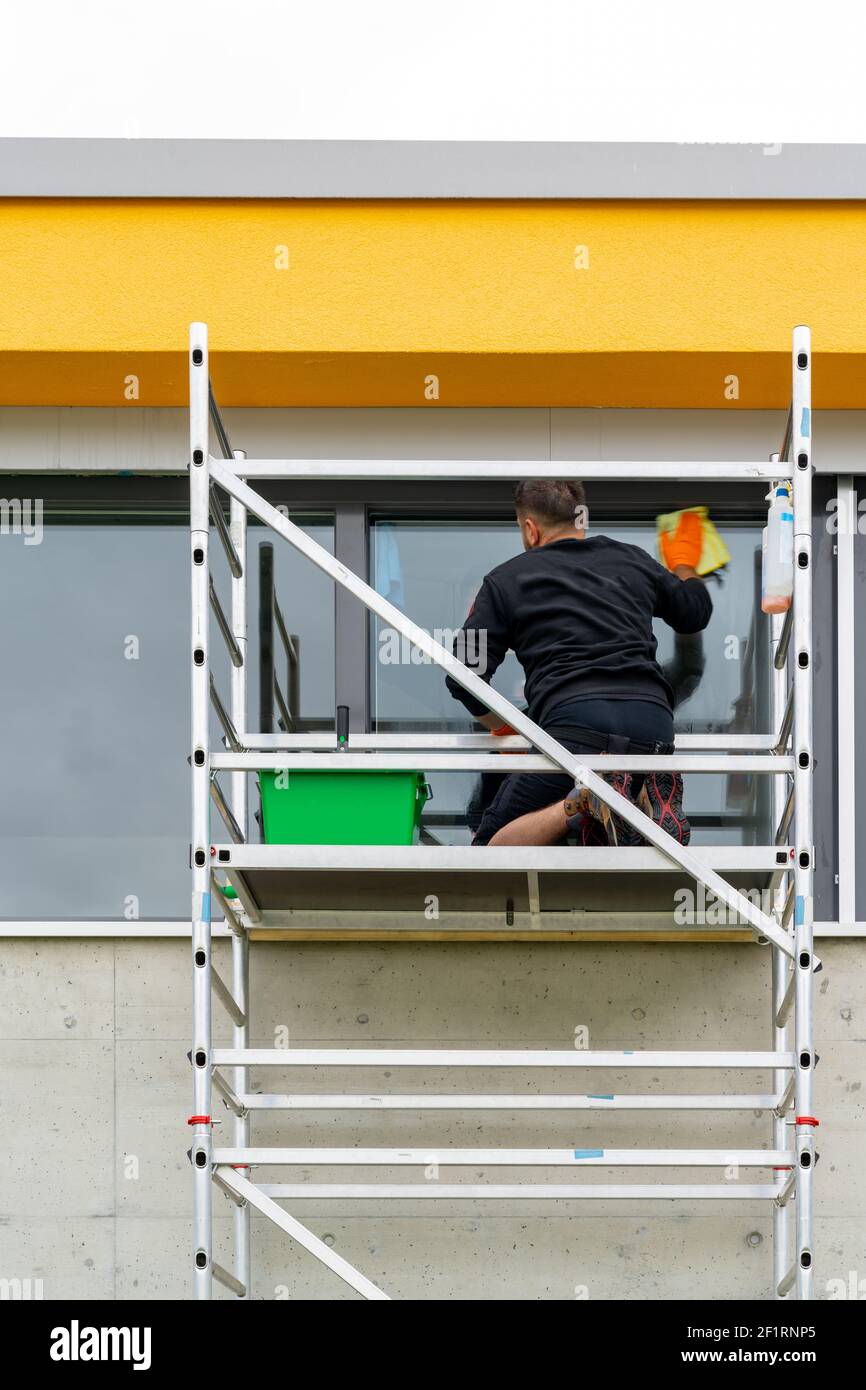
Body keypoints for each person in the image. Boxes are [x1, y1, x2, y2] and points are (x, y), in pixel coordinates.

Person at [445, 481, 712, 847]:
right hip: (653, 725)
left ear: (530, 529)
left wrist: (504, 726)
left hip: (574, 728)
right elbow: (694, 612)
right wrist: (683, 562)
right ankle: (648, 799)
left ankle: (583, 802)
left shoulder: (505, 580)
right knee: (621, 827)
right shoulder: (633, 560)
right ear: (580, 519)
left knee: (492, 846)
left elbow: (463, 675)